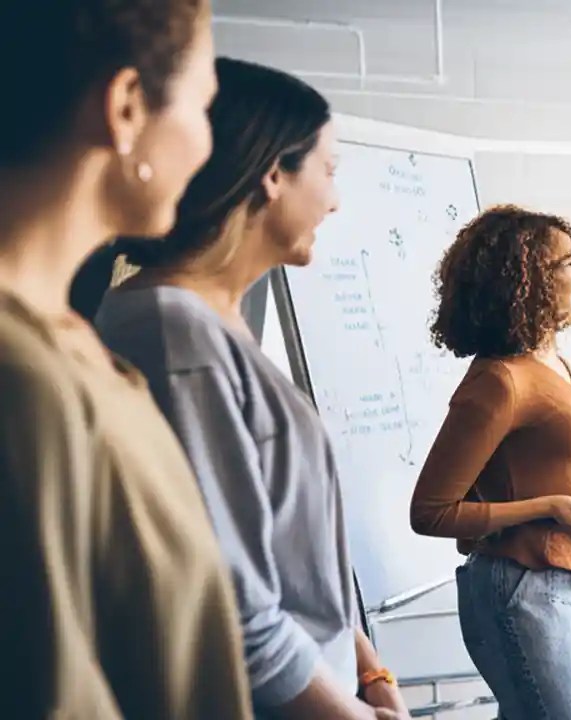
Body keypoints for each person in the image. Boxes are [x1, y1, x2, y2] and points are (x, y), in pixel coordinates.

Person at [86, 58, 408, 719]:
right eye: (328, 171)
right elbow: (234, 609)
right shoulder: (174, 334)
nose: (335, 200)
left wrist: (369, 670)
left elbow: (292, 562)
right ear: (272, 175)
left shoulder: (208, 323)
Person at [0, 2, 252, 717]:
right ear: (127, 107)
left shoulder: (66, 346)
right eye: (202, 106)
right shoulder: (22, 380)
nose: (207, 144)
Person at [410, 206, 571, 720]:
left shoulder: (557, 363)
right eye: (570, 262)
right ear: (526, 280)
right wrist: (549, 506)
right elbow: (431, 512)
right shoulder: (499, 381)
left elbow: (553, 463)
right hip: (525, 589)